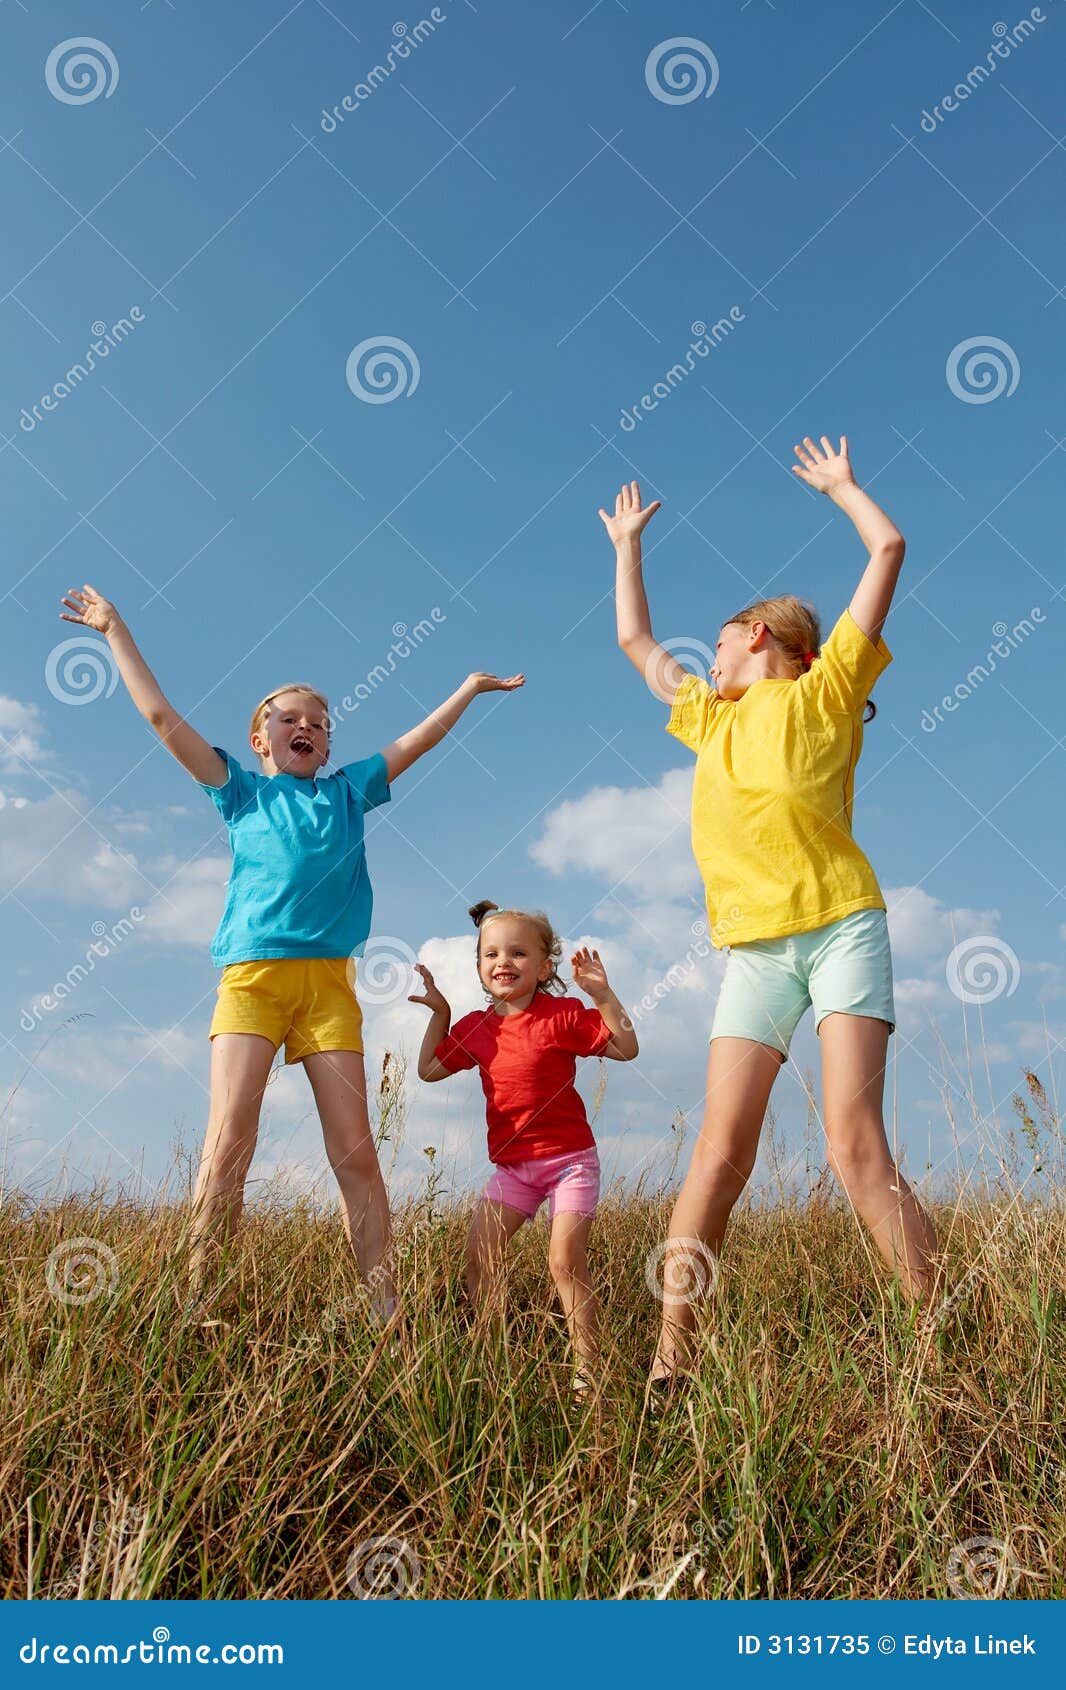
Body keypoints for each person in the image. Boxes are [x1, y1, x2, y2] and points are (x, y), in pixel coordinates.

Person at [58, 582, 523, 1317]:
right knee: (229, 1139)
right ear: (260, 739)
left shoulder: (348, 793)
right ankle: (198, 1302)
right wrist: (114, 630)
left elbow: (418, 740)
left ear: (329, 745)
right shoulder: (238, 791)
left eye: (320, 723)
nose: (307, 727)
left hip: (329, 990)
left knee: (356, 1152)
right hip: (254, 981)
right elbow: (160, 716)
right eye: (290, 719)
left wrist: (467, 689)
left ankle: (385, 1313)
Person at [600, 437, 939, 1390]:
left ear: (758, 636)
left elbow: (888, 549)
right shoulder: (706, 717)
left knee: (852, 1144)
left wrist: (844, 488)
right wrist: (627, 548)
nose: (704, 658)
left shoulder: (828, 690)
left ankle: (936, 1329)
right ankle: (671, 1353)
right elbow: (634, 641)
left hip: (840, 928)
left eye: (718, 642)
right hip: (753, 952)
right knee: (719, 1156)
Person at [411, 901, 637, 1397]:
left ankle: (588, 1374)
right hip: (514, 1171)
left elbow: (626, 1047)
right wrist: (442, 1014)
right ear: (479, 966)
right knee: (480, 1254)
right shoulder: (475, 1028)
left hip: (570, 1164)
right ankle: (495, 1366)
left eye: (517, 952)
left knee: (564, 1261)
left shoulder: (563, 1015)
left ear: (545, 967)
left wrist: (602, 995)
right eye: (490, 954)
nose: (503, 962)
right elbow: (428, 1070)